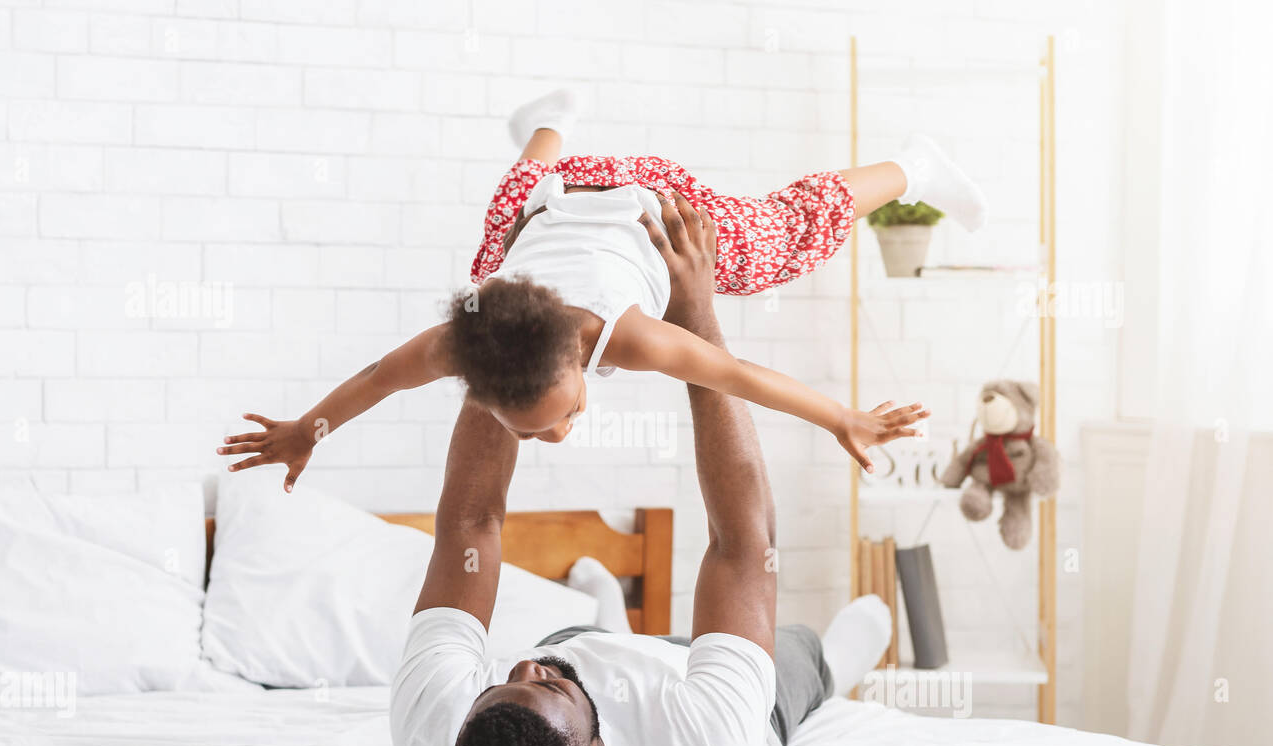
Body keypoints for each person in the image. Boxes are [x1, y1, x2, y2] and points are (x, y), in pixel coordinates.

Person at [389, 194, 893, 746]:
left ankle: (608, 625)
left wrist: (513, 318)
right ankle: (833, 668)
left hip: (575, 646)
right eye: (541, 686)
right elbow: (742, 545)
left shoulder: (432, 731)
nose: (521, 666)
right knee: (797, 654)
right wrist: (697, 315)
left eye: (496, 686)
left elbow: (470, 522)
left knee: (563, 645)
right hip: (693, 698)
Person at [217, 90, 956, 486]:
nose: (560, 433)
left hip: (642, 203)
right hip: (549, 203)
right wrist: (304, 430)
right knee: (503, 224)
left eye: (558, 416)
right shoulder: (461, 344)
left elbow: (734, 373)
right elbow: (379, 378)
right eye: (537, 430)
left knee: (777, 239)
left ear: (578, 358)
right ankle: (548, 123)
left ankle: (915, 168)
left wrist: (839, 418)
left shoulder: (626, 337)